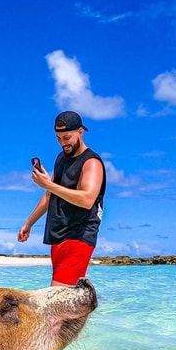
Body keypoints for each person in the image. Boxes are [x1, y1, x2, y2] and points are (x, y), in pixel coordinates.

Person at [17, 110, 107, 286]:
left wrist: (48, 184)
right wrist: (28, 224)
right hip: (58, 235)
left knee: (55, 302)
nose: (62, 143)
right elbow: (50, 195)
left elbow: (87, 199)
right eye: (58, 138)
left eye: (67, 137)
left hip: (79, 235)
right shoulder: (61, 159)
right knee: (65, 302)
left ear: (80, 132)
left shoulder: (92, 162)